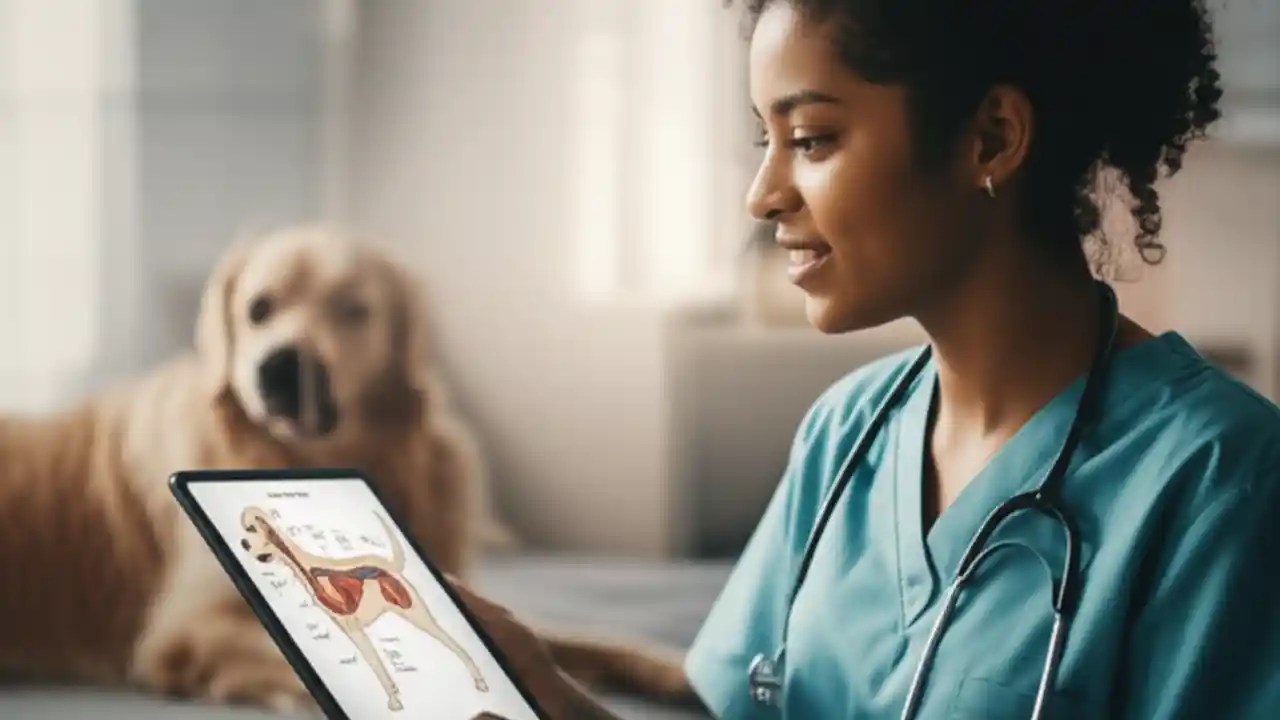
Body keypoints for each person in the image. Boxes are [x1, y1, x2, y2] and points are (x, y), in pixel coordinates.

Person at [453, 0, 1280, 718]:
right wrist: (539, 693)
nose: (762, 195)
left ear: (992, 137)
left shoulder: (1221, 480)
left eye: (811, 139)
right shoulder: (847, 430)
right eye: (766, 139)